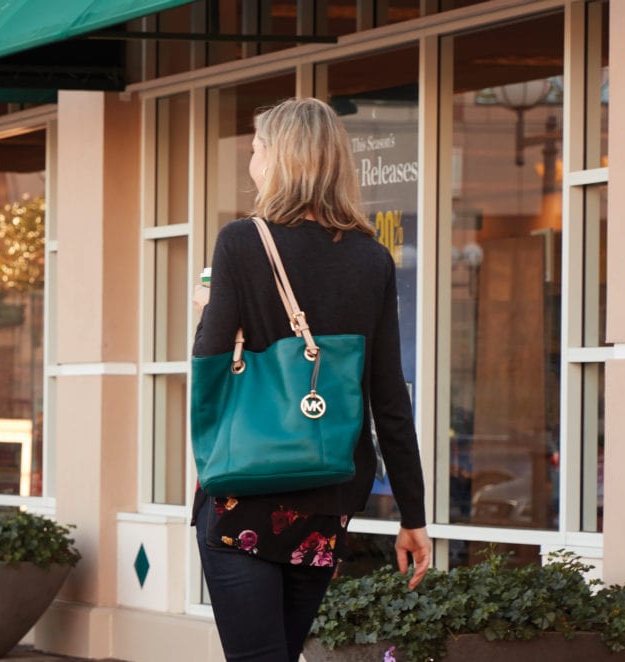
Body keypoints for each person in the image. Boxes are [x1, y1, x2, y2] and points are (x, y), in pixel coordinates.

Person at [191, 97, 433, 662]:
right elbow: (389, 398)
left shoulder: (241, 243)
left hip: (242, 491)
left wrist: (207, 307)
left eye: (256, 150)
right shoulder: (372, 259)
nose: (251, 162)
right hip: (326, 500)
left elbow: (208, 366)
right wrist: (412, 515)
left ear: (279, 159)